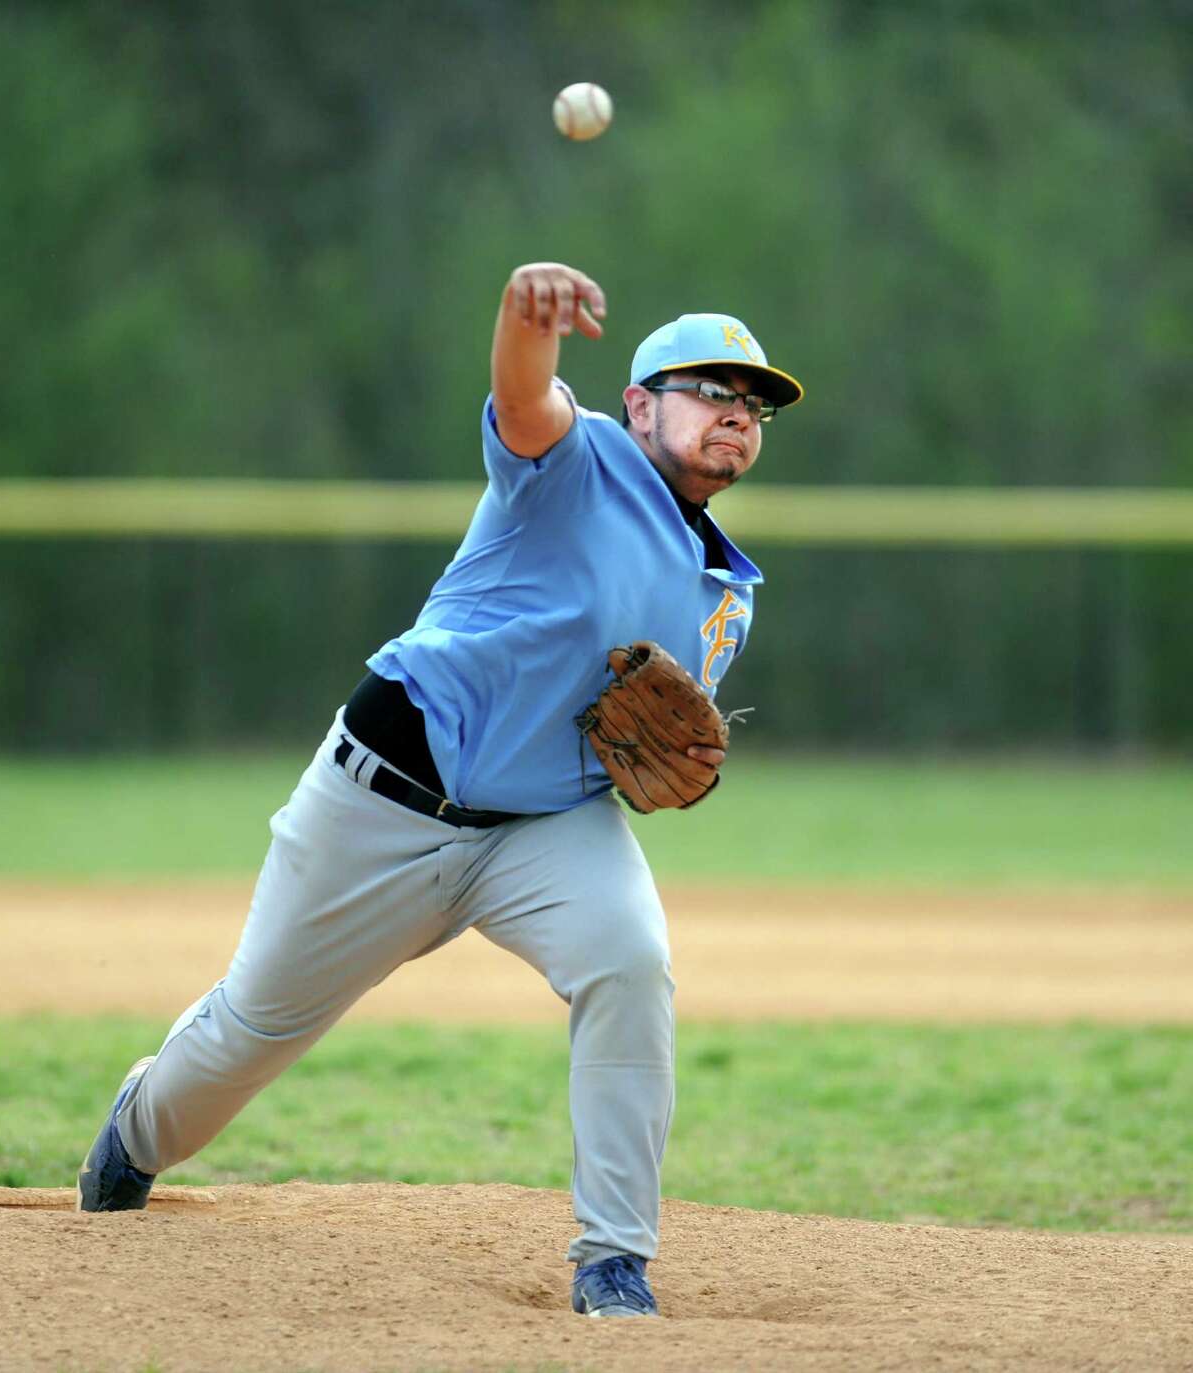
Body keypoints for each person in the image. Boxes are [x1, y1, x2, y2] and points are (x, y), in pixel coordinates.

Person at [76, 262, 803, 1318]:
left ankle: (614, 1261)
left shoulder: (729, 591)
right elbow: (525, 398)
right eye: (711, 390)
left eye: (756, 404)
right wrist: (525, 319)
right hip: (386, 797)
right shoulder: (581, 457)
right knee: (252, 1030)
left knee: (632, 964)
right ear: (642, 403)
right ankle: (135, 1132)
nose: (738, 414)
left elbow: (630, 735)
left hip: (545, 827)